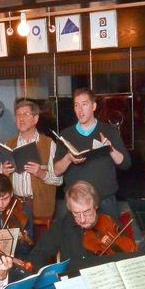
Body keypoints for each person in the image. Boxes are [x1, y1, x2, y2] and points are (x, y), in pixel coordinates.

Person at [53, 88, 131, 220]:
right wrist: (68, 158)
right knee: (75, 240)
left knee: (109, 240)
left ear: (94, 106)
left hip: (105, 201)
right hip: (76, 204)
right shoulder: (66, 135)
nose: (80, 110)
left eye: (84, 104)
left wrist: (110, 148)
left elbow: (125, 164)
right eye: (76, 105)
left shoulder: (109, 131)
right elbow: (56, 171)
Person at [0, 99, 62, 223]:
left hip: (40, 207)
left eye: (26, 114)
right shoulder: (8, 144)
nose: (21, 118)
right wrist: (4, 175)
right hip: (16, 207)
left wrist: (41, 174)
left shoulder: (49, 144)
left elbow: (59, 180)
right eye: (18, 115)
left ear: (36, 119)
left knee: (42, 242)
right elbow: (1, 183)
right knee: (20, 242)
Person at [0, 173, 35, 257]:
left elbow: (27, 251)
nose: (0, 204)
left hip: (17, 258)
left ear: (11, 193)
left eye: (5, 198)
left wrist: (23, 240)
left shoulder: (24, 211)